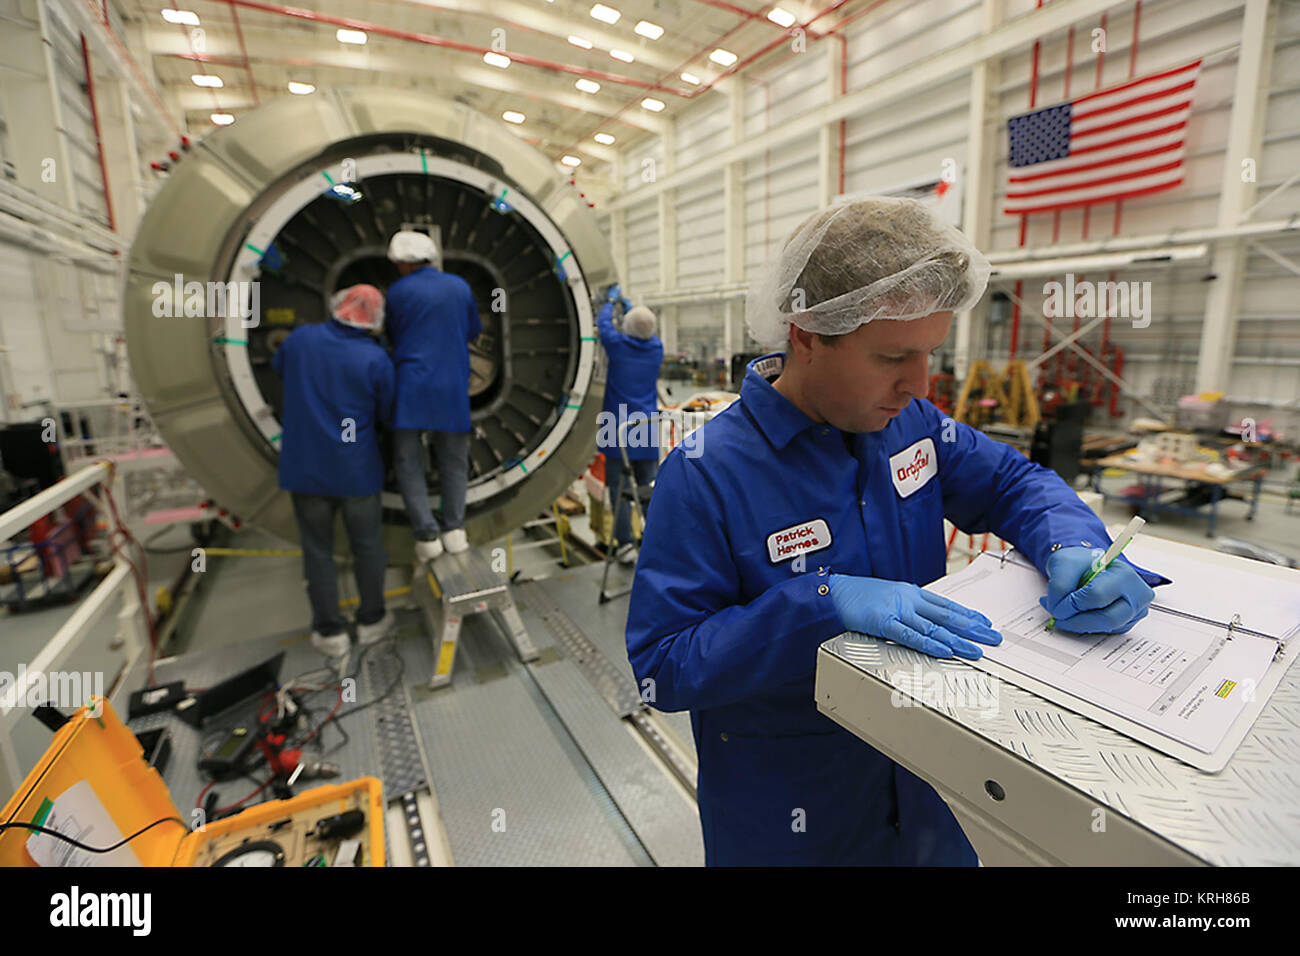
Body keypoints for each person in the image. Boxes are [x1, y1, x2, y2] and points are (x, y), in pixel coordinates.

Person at [624, 196, 1169, 866]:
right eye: (892, 357)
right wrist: (816, 605)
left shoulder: (912, 426)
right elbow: (664, 667)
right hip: (792, 810)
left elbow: (1011, 483)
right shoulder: (708, 474)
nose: (919, 382)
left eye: (931, 354)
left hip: (930, 780)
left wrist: (1071, 544)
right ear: (806, 334)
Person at [272, 284, 396, 658]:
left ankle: (330, 633)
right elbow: (388, 415)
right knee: (368, 547)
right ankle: (372, 622)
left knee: (318, 551)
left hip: (305, 470)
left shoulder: (300, 340)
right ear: (375, 319)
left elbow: (278, 369)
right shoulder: (375, 360)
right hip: (355, 471)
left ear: (338, 305)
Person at [385, 230, 482, 562]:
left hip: (411, 384)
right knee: (454, 461)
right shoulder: (459, 287)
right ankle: (455, 530)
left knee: (408, 461)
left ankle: (426, 535)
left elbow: (392, 335)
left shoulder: (397, 292)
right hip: (452, 386)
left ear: (404, 263)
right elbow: (473, 330)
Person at [596, 284, 664, 565]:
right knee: (648, 488)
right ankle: (658, 542)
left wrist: (611, 301)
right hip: (646, 429)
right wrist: (628, 307)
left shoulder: (618, 346)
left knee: (619, 489)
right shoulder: (656, 348)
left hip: (619, 430)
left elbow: (602, 324)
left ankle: (625, 545)